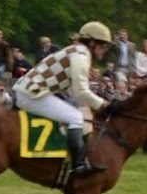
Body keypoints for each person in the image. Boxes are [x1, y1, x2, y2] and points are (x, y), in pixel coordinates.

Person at [13, 21, 114, 180]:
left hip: (33, 91)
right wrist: (104, 104)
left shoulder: (76, 51)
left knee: (76, 114)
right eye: (104, 46)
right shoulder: (81, 56)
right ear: (93, 43)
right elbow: (81, 92)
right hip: (33, 94)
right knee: (75, 117)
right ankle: (78, 166)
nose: (105, 51)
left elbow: (75, 91)